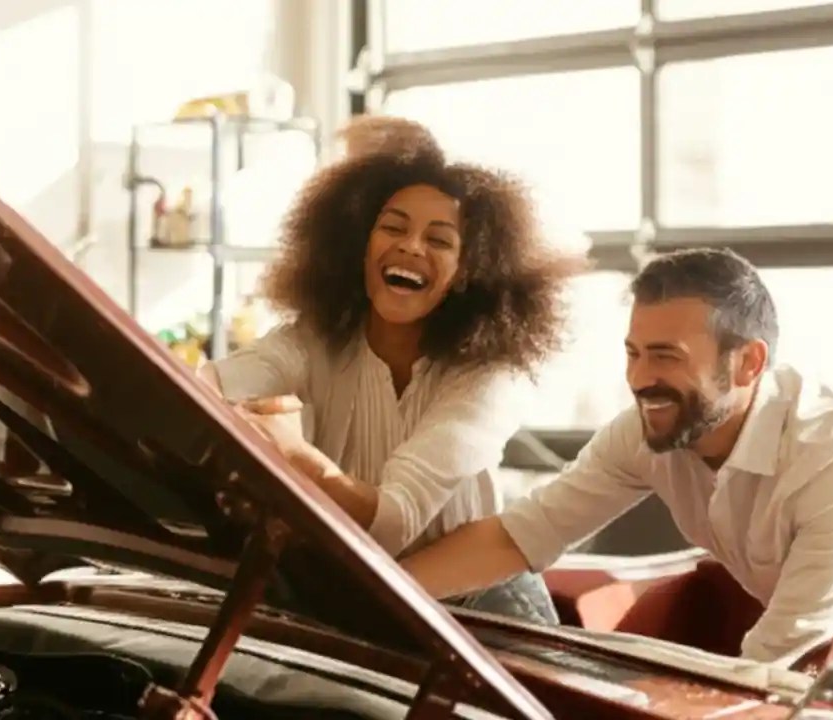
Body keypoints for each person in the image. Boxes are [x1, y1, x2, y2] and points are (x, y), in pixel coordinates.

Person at [399, 247, 833, 665]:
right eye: (633, 353)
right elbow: (521, 534)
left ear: (748, 362)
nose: (640, 379)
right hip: (816, 670)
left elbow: (782, 659)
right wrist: (379, 595)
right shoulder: (645, 432)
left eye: (665, 356)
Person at [198, 116, 581, 624]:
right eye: (393, 227)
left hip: (485, 608)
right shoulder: (312, 341)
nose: (411, 246)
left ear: (468, 273)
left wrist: (293, 454)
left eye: (440, 240)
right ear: (360, 248)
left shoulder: (487, 377)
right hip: (368, 598)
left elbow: (393, 521)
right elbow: (208, 388)